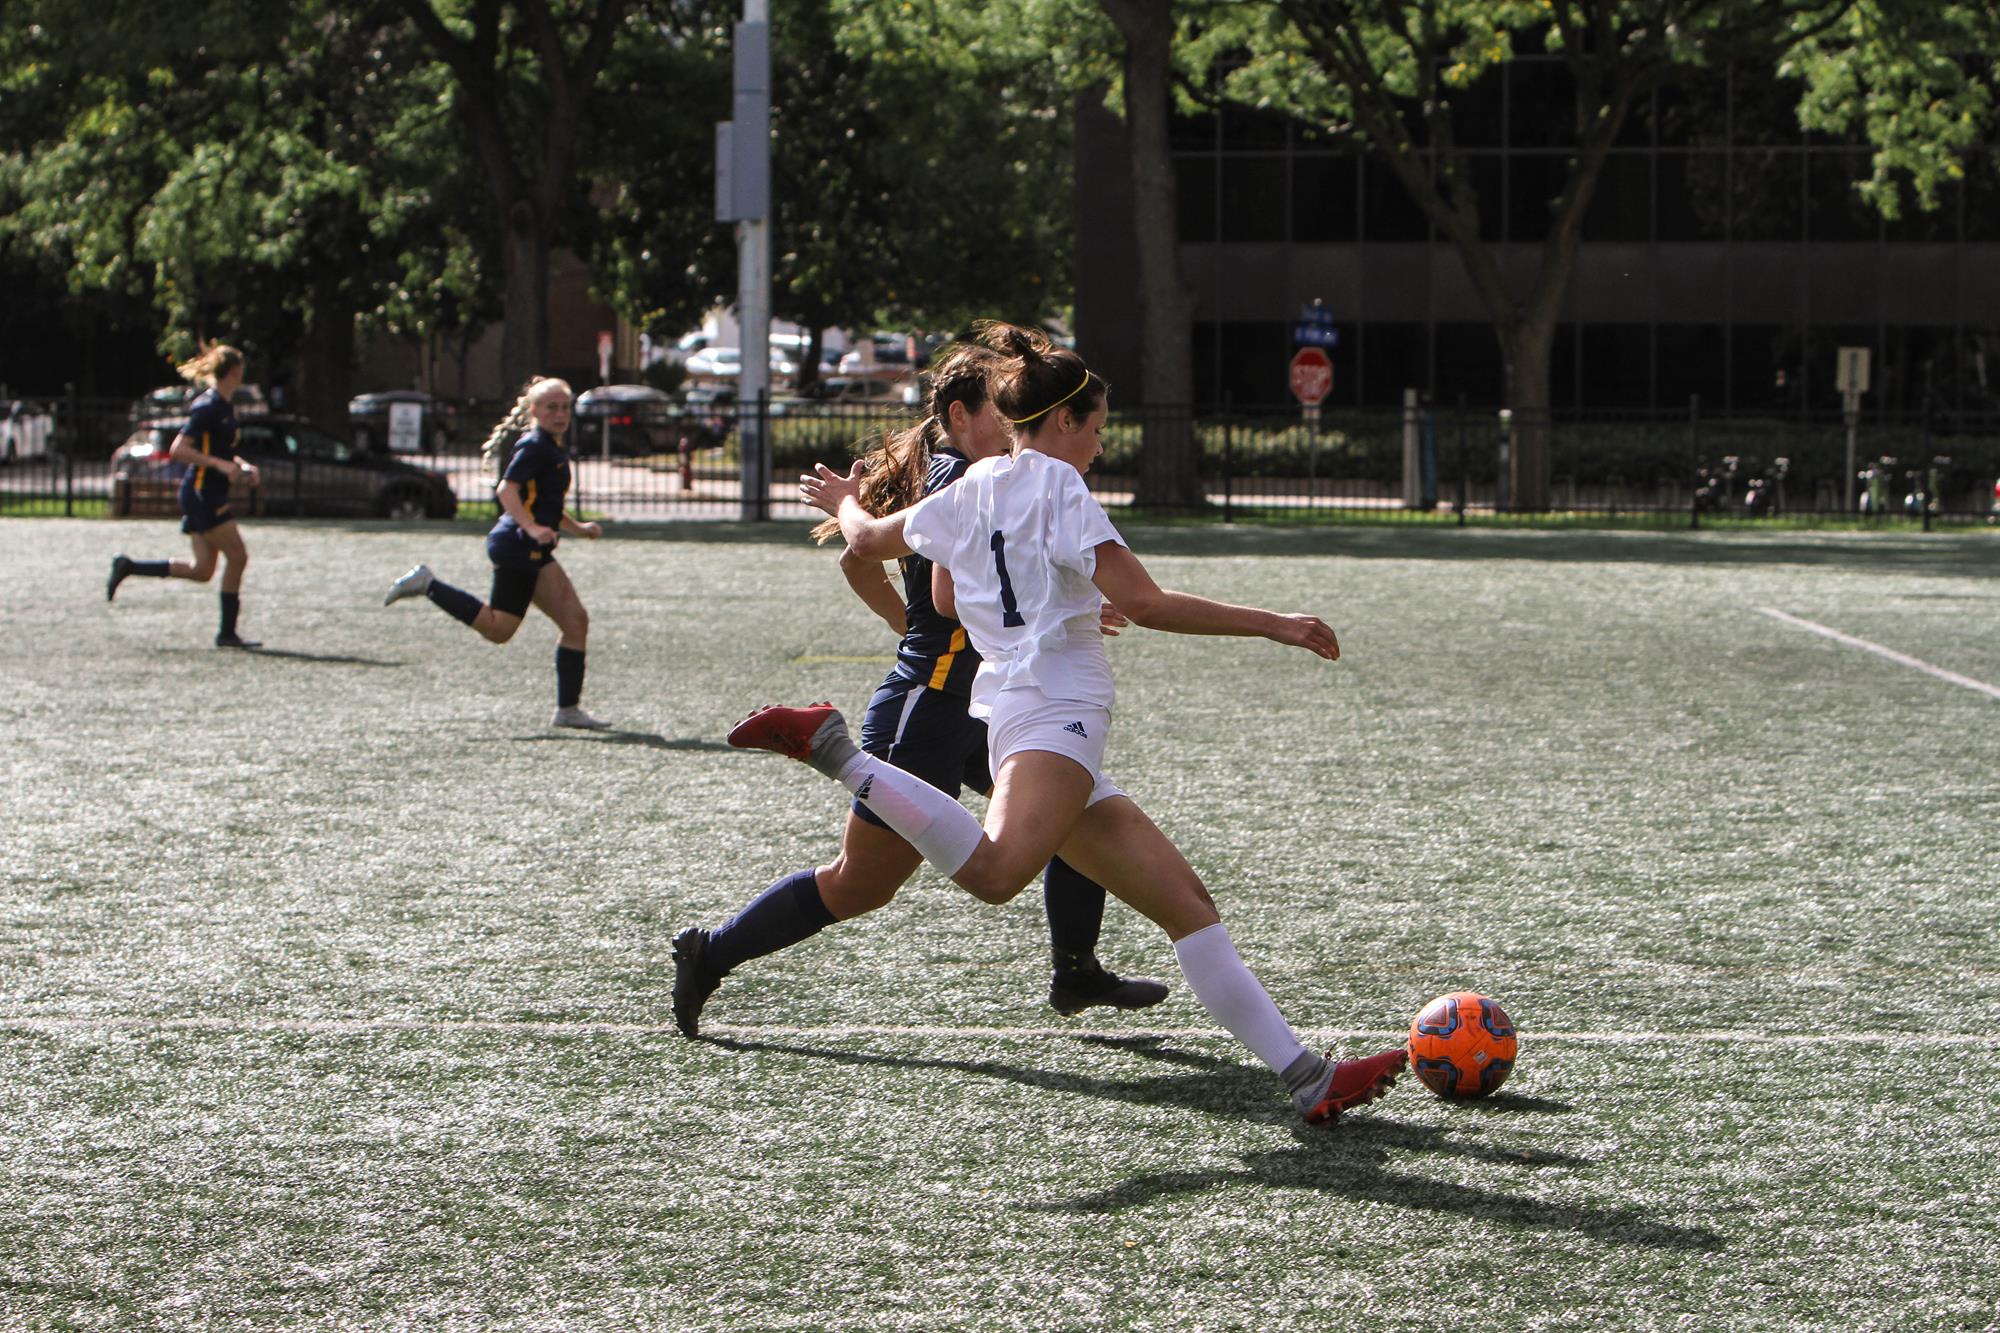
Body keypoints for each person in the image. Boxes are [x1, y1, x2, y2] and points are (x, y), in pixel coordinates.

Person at [729, 322, 1405, 1125]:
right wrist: (1274, 622)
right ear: (1061, 423)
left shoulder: (974, 486)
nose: (1099, 448)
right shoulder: (1060, 488)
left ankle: (1310, 1077)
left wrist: (847, 501)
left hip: (1026, 712)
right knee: (994, 873)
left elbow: (897, 563)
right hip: (1055, 716)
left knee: (1188, 904)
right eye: (1097, 431)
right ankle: (835, 749)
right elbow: (1149, 603)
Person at [672, 346, 1168, 1037]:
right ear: (962, 417)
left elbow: (868, 558)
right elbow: (925, 584)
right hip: (930, 708)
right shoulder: (965, 478)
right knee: (861, 883)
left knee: (1068, 816)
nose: (1018, 418)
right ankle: (712, 951)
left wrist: (1057, 597)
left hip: (984, 703)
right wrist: (1011, 613)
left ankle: (1075, 966)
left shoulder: (983, 472)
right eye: (1003, 407)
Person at [383, 377, 611, 730]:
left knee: (575, 622)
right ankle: (428, 584)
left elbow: (545, 505)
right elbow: (507, 490)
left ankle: (568, 710)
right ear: (533, 410)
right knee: (498, 629)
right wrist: (532, 529)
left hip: (534, 549)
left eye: (565, 407)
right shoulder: (534, 445)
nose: (560, 413)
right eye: (551, 407)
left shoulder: (551, 446)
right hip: (517, 548)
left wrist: (577, 528)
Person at [106, 344, 263, 648]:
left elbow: (223, 452)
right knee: (238, 557)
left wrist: (243, 466)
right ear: (234, 371)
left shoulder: (226, 407)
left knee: (202, 571)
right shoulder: (208, 407)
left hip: (208, 492)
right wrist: (221, 466)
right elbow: (180, 450)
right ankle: (227, 634)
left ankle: (129, 566)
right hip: (202, 494)